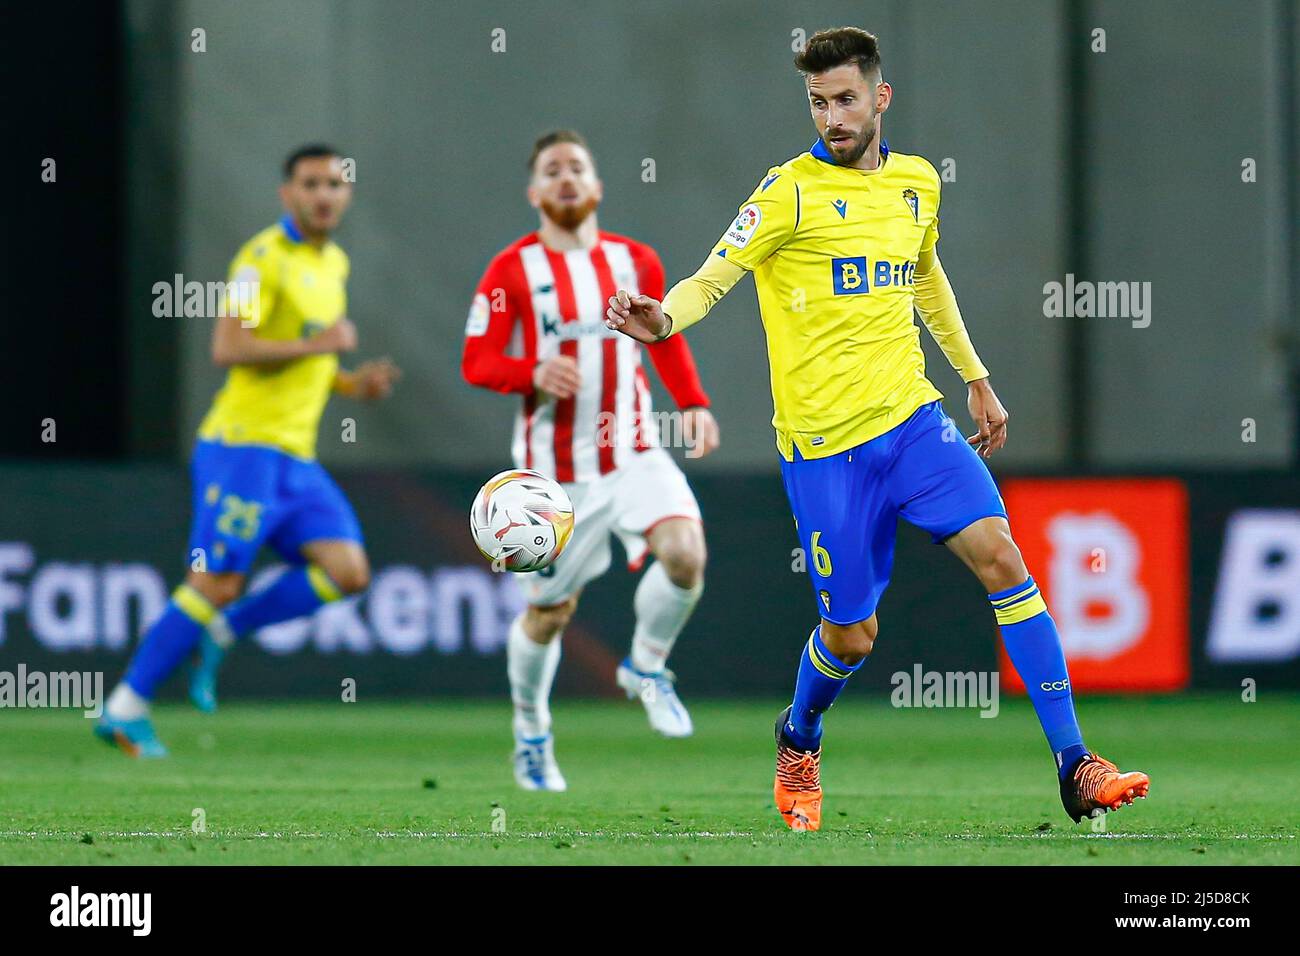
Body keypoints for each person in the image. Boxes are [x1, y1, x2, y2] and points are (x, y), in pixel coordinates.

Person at [604, 29, 1149, 830]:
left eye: (846, 98)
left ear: (880, 97)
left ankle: (1074, 763)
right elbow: (714, 276)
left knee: (1003, 558)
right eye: (819, 102)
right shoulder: (786, 192)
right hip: (826, 452)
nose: (832, 115)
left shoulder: (918, 184)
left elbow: (926, 277)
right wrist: (663, 318)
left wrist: (975, 378)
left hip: (912, 423)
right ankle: (799, 735)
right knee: (852, 636)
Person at [95, 145, 400, 757]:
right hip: (242, 448)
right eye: (311, 183)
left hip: (295, 457)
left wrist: (349, 382)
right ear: (287, 193)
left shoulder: (332, 261)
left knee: (349, 573)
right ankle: (124, 708)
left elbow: (308, 355)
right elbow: (230, 346)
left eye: (336, 183)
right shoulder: (260, 260)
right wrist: (322, 349)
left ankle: (226, 632)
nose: (324, 194)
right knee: (216, 580)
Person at [463, 130, 719, 791]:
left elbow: (662, 336)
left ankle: (646, 666)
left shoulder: (636, 261)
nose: (567, 177)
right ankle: (530, 732)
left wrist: (691, 400)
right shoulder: (510, 271)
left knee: (686, 553)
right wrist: (530, 371)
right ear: (534, 193)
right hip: (551, 478)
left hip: (632, 450)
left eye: (578, 167)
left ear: (598, 186)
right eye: (552, 170)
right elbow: (477, 360)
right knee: (551, 614)